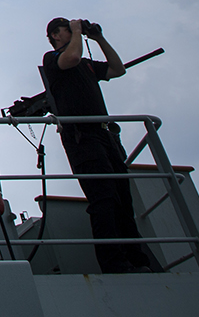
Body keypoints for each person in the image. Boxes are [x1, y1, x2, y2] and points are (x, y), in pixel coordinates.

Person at [42, 17, 153, 274]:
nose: (73, 33)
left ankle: (136, 259)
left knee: (123, 200)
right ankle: (113, 262)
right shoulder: (52, 59)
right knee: (103, 199)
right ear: (55, 35)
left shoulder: (86, 64)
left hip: (104, 135)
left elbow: (117, 69)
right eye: (67, 30)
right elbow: (71, 58)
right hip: (82, 137)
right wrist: (77, 31)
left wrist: (99, 38)